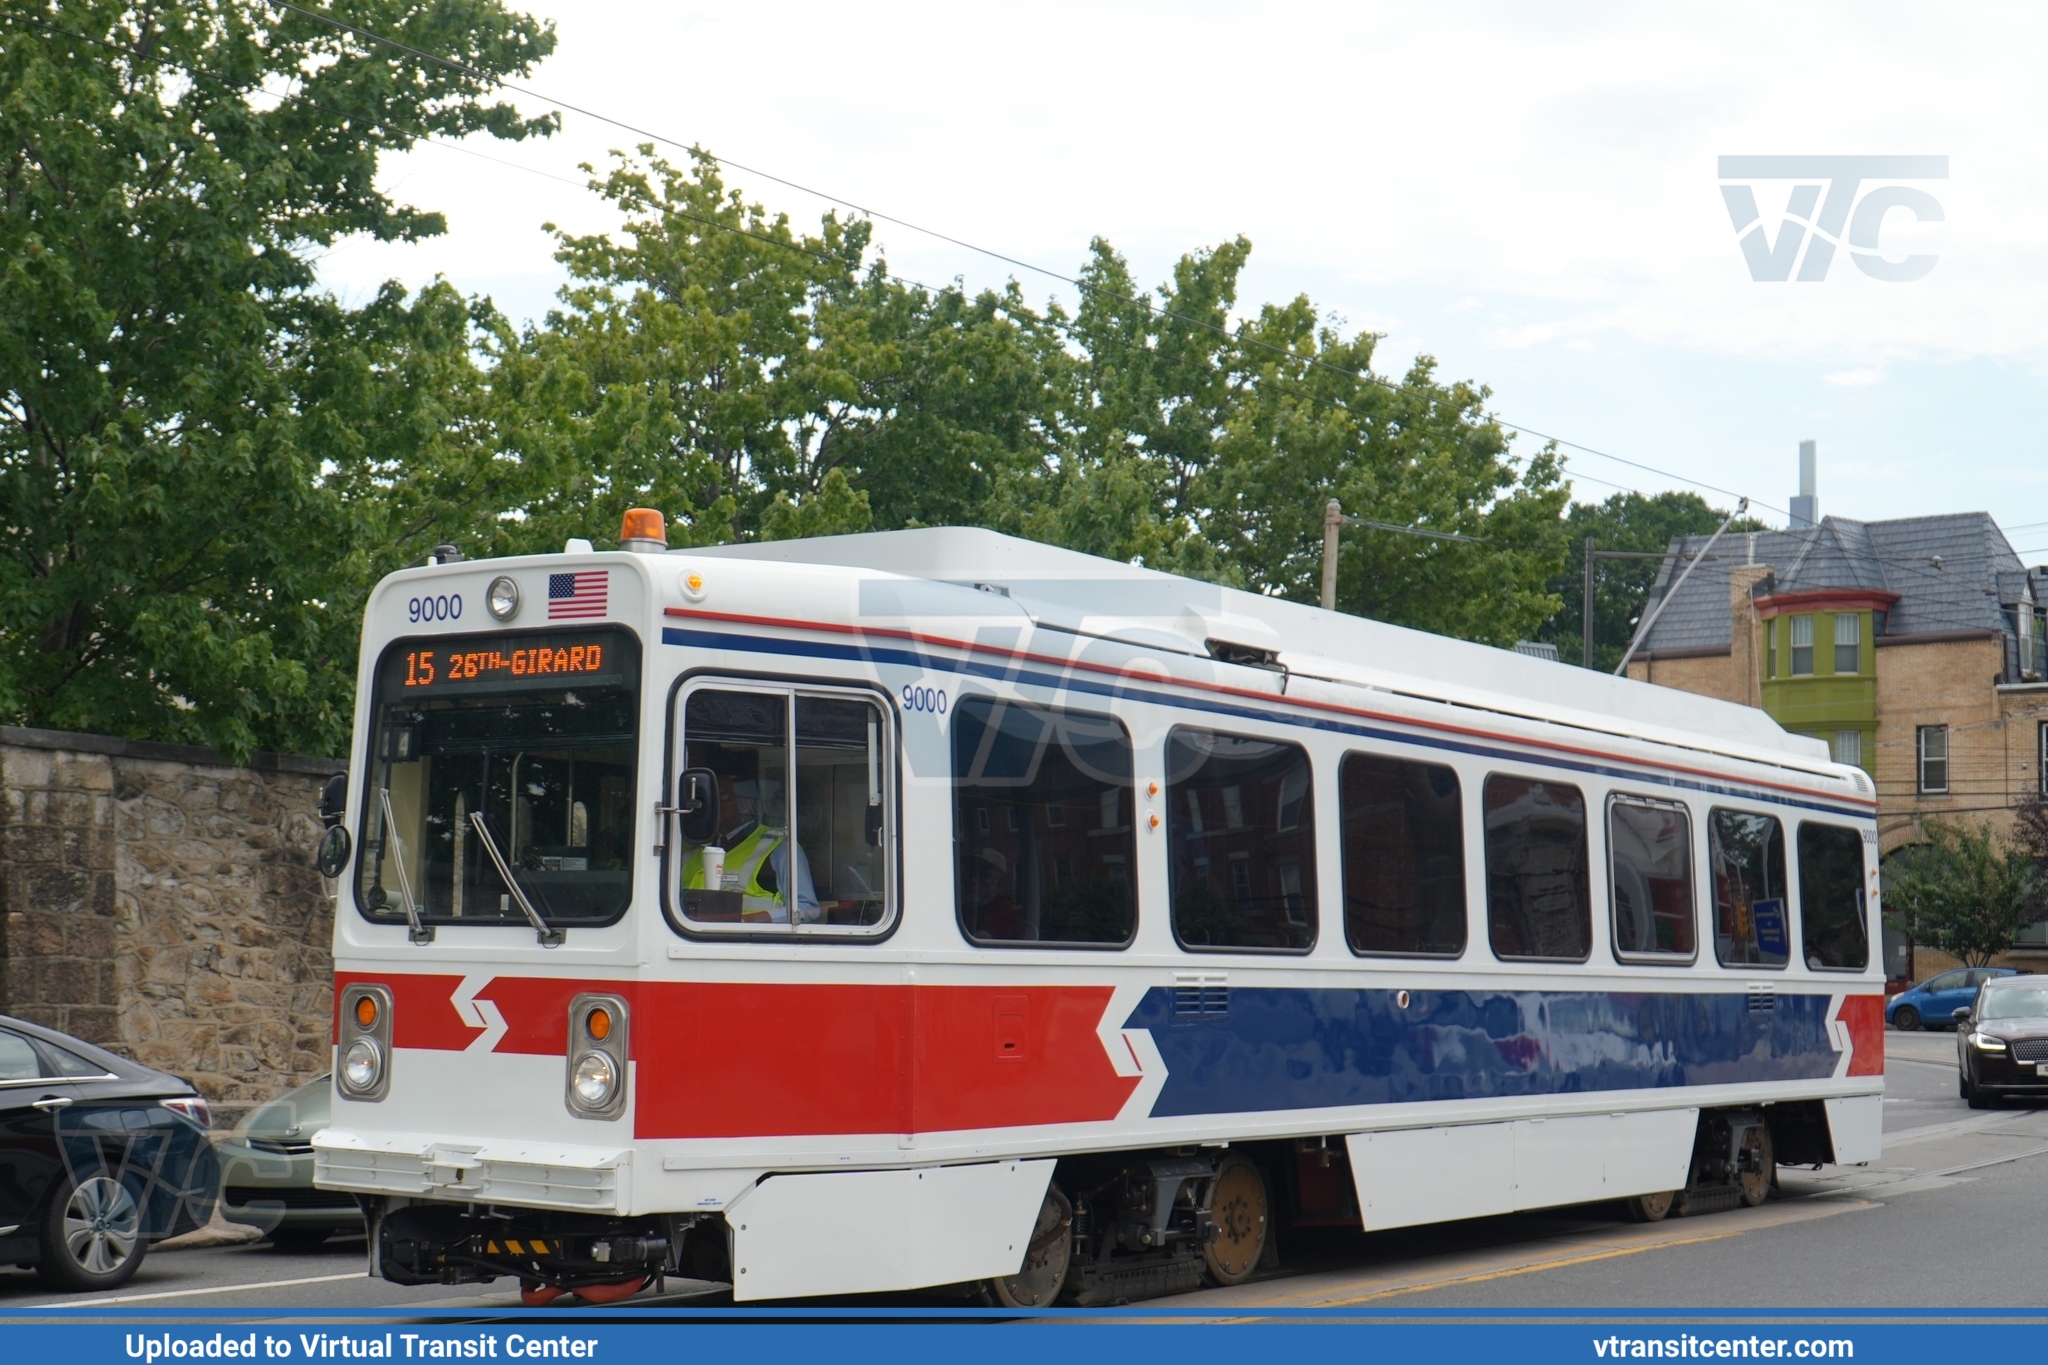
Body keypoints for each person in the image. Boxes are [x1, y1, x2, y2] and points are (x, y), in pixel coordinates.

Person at [680, 775, 819, 924]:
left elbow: (807, 908)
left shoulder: (778, 847)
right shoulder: (688, 846)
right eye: (710, 799)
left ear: (744, 804)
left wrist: (749, 920)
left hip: (750, 942)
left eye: (724, 797)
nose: (715, 805)